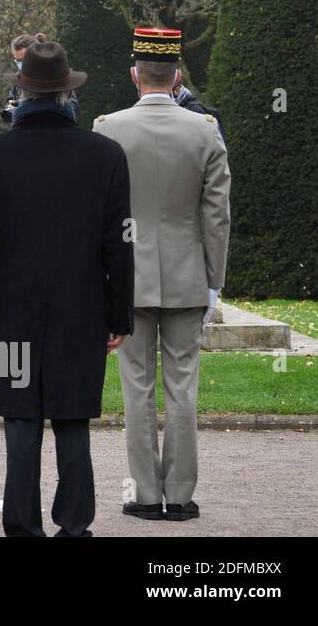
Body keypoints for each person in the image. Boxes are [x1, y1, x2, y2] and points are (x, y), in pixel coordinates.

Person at [0, 42, 133, 537]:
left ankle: (22, 524)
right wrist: (118, 316)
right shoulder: (104, 156)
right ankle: (75, 522)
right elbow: (118, 245)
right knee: (72, 420)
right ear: (66, 93)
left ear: (22, 91)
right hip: (81, 309)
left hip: (13, 310)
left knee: (21, 422)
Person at [94, 27, 231, 523]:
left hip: (127, 278)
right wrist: (214, 279)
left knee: (137, 388)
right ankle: (181, 496)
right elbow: (216, 214)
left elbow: (98, 216)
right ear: (177, 77)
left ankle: (146, 496)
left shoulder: (107, 128)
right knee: (182, 388)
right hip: (187, 273)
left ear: (135, 75)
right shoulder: (204, 130)